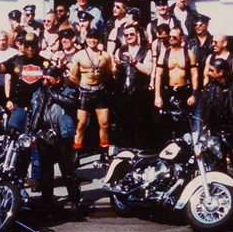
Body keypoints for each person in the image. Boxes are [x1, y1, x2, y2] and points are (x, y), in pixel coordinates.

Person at [26, 66, 82, 220]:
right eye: (43, 78)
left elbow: (71, 103)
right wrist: (30, 134)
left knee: (67, 171)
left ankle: (75, 202)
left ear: (58, 79)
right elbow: (31, 114)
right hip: (43, 137)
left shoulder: (69, 92)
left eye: (48, 79)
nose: (44, 82)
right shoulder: (37, 94)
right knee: (46, 172)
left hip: (62, 136)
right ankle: (47, 204)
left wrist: (52, 93)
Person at [199, 56, 233, 177]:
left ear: (221, 72)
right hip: (216, 134)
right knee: (218, 171)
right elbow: (203, 112)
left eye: (212, 70)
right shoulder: (209, 88)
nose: (209, 73)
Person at [69, 27, 115, 164]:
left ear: (99, 39)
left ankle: (104, 153)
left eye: (95, 38)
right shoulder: (79, 55)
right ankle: (76, 153)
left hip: (100, 92)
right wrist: (83, 86)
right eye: (90, 38)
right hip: (85, 92)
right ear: (86, 39)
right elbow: (72, 76)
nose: (92, 41)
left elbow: (108, 75)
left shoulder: (106, 56)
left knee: (105, 124)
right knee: (81, 124)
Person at [112, 21, 155, 150]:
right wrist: (117, 67)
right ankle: (126, 152)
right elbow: (114, 74)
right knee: (124, 124)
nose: (129, 37)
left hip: (139, 93)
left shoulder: (146, 51)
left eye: (131, 34)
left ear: (137, 34)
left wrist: (133, 60)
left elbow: (148, 70)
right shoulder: (120, 51)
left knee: (140, 125)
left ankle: (139, 152)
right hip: (123, 93)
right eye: (126, 35)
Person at [154, 25, 199, 136]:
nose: (171, 39)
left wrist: (193, 94)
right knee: (166, 123)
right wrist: (157, 96)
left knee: (184, 124)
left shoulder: (189, 54)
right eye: (170, 36)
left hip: (184, 92)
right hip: (168, 92)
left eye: (174, 36)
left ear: (182, 38)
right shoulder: (164, 54)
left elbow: (195, 76)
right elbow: (158, 76)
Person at [3, 31, 51, 131]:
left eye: (32, 46)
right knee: (12, 132)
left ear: (37, 46)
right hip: (19, 106)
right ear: (22, 46)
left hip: (38, 107)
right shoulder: (15, 60)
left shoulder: (45, 62)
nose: (29, 49)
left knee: (36, 134)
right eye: (27, 46)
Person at [0, 30, 19, 108]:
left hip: (9, 86)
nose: (1, 42)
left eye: (3, 40)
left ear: (7, 40)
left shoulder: (14, 52)